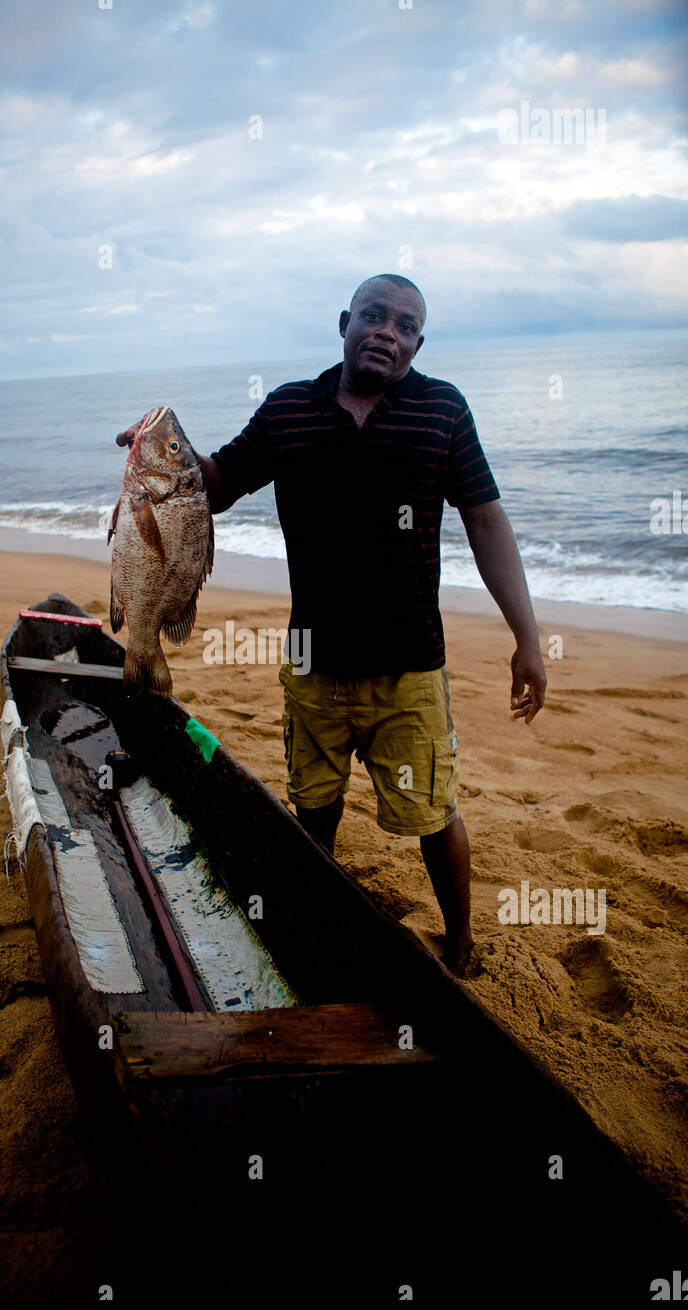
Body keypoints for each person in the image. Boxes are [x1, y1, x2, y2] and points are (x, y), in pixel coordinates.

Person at [122, 274, 547, 976]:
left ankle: (461, 943)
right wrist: (155, 453)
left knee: (434, 815)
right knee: (314, 810)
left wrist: (527, 638)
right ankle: (307, 916)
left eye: (404, 324)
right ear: (345, 322)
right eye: (374, 316)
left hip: (410, 667)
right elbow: (218, 484)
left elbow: (485, 518)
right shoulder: (290, 410)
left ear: (418, 341)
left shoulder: (443, 409)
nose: (387, 331)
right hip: (313, 665)